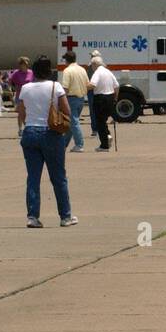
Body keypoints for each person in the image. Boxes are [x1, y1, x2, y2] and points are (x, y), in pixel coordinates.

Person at [15, 55, 77, 228]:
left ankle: (32, 216)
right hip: (50, 134)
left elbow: (21, 112)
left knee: (33, 178)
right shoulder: (55, 86)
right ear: (49, 71)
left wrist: (29, 124)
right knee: (58, 177)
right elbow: (67, 110)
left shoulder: (25, 88)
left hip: (30, 133)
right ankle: (65, 216)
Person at [59, 51, 90, 149]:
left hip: (71, 99)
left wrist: (61, 101)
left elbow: (65, 88)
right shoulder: (82, 70)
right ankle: (63, 144)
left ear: (66, 60)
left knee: (74, 122)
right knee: (71, 123)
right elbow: (87, 84)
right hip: (81, 99)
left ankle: (79, 144)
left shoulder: (67, 71)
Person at [88, 57, 120, 151]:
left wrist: (82, 87)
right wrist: (115, 98)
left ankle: (104, 145)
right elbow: (117, 86)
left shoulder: (97, 72)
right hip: (110, 97)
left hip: (100, 98)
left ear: (95, 64)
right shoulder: (108, 72)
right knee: (103, 120)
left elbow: (92, 84)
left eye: (92, 66)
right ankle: (108, 135)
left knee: (99, 122)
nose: (92, 68)